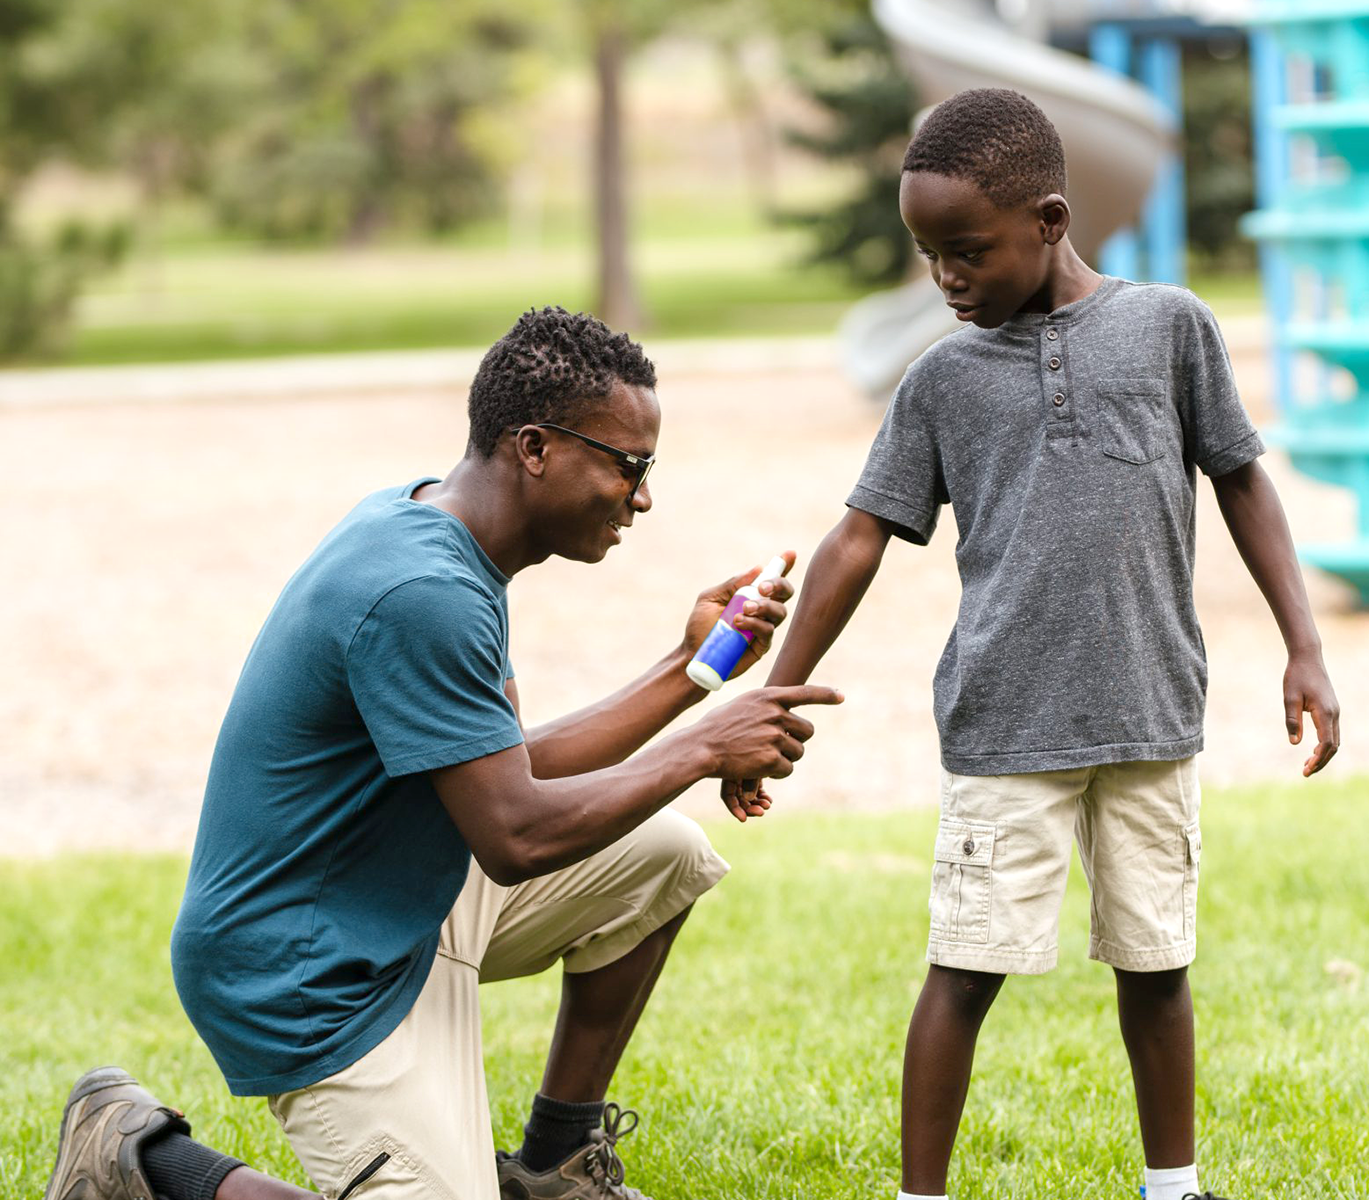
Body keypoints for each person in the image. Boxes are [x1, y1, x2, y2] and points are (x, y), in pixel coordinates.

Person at [46, 306, 841, 1200]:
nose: (642, 496)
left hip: (394, 893)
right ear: (534, 447)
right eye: (628, 465)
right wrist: (700, 749)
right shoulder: (424, 589)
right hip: (302, 965)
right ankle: (141, 1161)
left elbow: (510, 766)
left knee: (666, 856)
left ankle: (555, 1165)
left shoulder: (444, 533)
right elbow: (515, 837)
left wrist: (691, 672)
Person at [728, 88, 1341, 1200]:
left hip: (1153, 711)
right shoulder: (942, 380)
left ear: (1051, 221)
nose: (946, 279)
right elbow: (860, 536)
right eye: (928, 257)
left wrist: (1304, 645)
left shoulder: (1169, 328)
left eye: (966, 251)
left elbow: (1243, 476)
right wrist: (775, 691)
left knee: (1158, 970)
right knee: (963, 972)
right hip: (1006, 726)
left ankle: (1174, 1186)